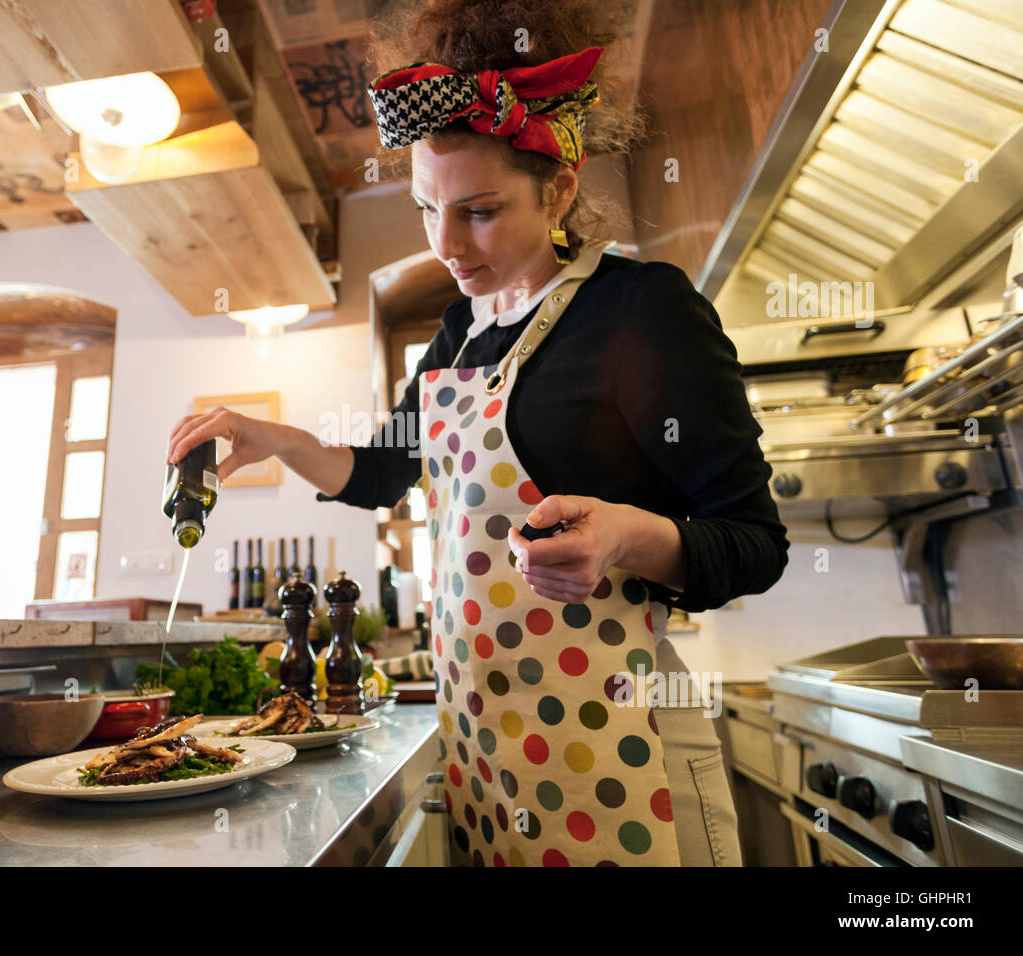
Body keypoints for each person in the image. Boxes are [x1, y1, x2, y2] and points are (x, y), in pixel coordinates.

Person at [167, 0, 789, 866]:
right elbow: (381, 472)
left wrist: (625, 536)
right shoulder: (463, 331)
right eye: (427, 208)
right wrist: (274, 438)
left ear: (559, 189)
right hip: (490, 760)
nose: (447, 245)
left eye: (481, 211)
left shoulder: (638, 309)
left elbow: (756, 545)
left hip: (622, 746)